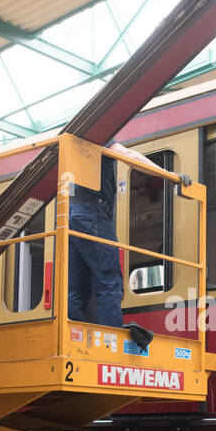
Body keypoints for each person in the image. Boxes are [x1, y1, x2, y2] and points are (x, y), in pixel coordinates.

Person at [68, 143, 154, 348]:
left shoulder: (72, 142)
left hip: (69, 213)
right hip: (93, 211)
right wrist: (169, 174)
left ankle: (73, 341)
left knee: (74, 286)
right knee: (109, 281)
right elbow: (127, 154)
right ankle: (110, 342)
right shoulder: (101, 135)